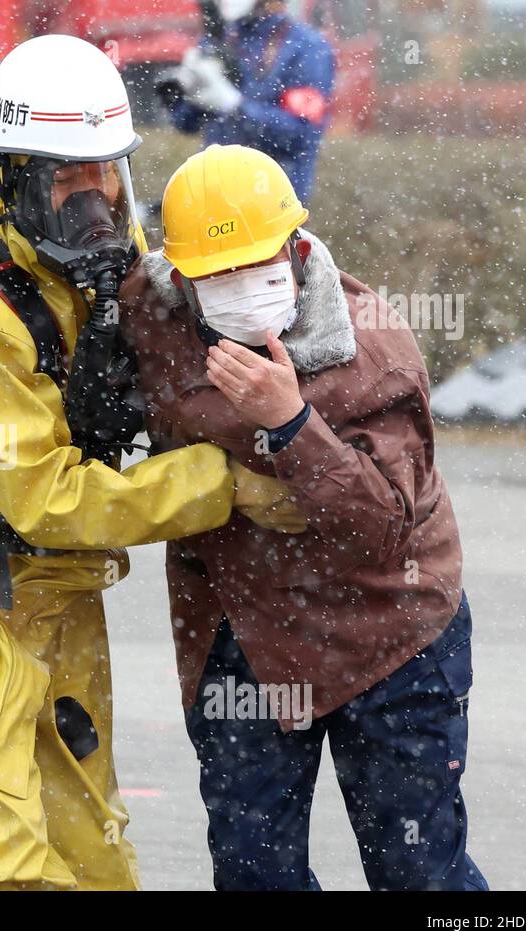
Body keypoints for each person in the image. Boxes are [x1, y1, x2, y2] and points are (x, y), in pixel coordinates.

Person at [0, 35, 299, 889]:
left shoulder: (90, 258)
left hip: (51, 588)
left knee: (88, 853)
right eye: (65, 184)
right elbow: (50, 499)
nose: (94, 207)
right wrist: (226, 481)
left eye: (106, 178)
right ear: (14, 185)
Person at [120, 143, 487, 891]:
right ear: (183, 278)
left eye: (258, 268)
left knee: (417, 870)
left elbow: (384, 528)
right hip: (241, 632)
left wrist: (291, 424)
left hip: (389, 632)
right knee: (254, 871)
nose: (241, 291)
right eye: (218, 278)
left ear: (297, 248)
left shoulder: (373, 352)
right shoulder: (153, 316)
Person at [157, 0, 336, 202]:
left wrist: (234, 105)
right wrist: (180, 98)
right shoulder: (222, 38)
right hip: (216, 195)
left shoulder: (306, 47)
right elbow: (187, 124)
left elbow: (299, 135)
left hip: (275, 201)